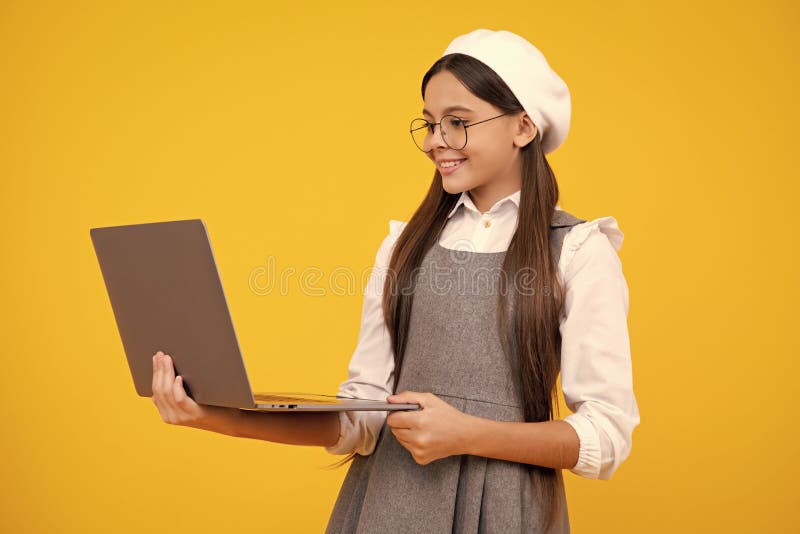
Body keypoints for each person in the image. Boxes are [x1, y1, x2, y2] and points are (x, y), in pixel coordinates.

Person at [150, 28, 640, 533]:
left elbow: (605, 438)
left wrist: (468, 434)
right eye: (429, 124)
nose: (435, 142)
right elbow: (361, 420)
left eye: (458, 122)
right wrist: (213, 415)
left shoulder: (579, 250)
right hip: (388, 509)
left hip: (506, 514)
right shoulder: (404, 248)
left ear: (522, 127)